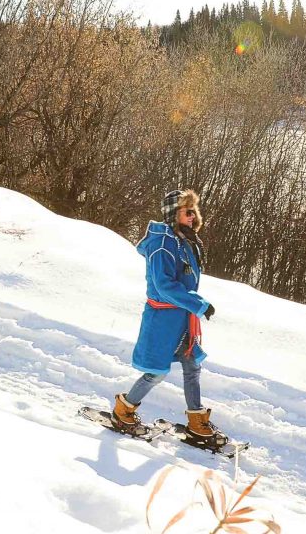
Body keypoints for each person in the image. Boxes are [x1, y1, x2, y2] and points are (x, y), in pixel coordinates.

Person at [110, 189, 224, 443]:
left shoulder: (183, 240)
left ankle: (196, 420)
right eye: (187, 211)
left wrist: (193, 306)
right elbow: (164, 286)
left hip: (182, 318)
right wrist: (199, 304)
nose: (193, 217)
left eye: (194, 211)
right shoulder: (163, 244)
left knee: (192, 366)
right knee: (157, 371)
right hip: (163, 319)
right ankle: (123, 409)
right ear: (174, 215)